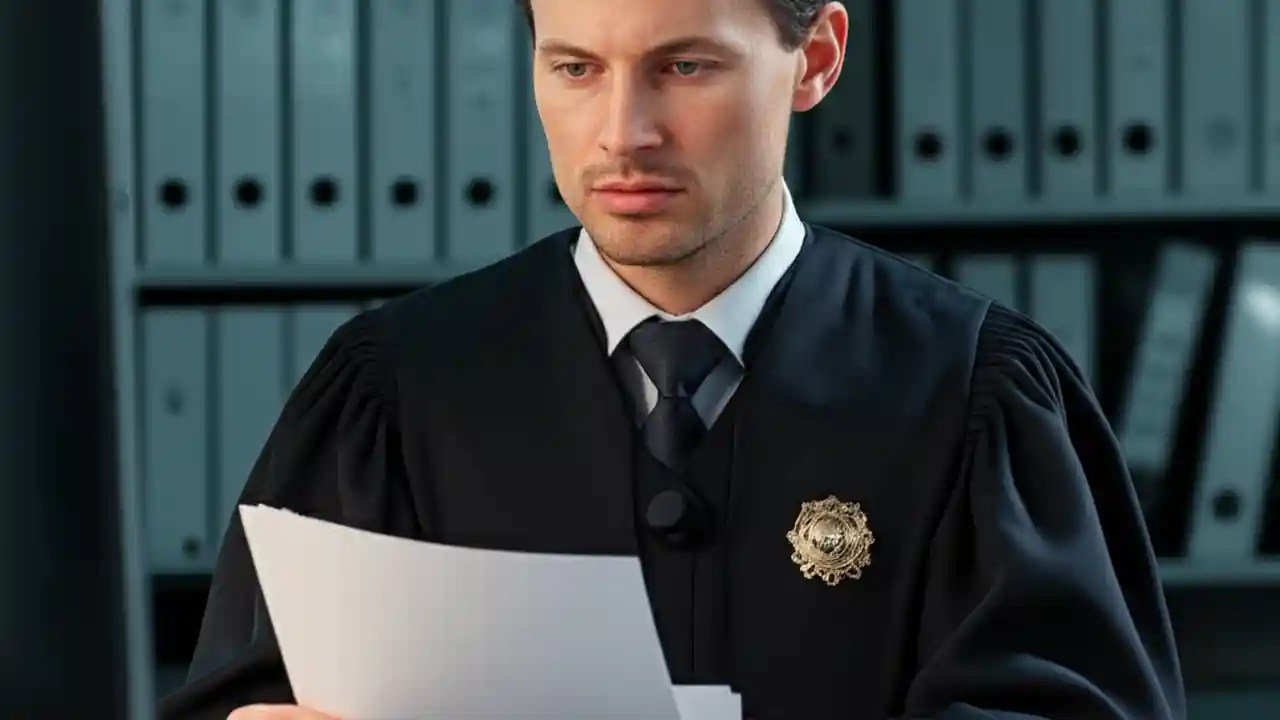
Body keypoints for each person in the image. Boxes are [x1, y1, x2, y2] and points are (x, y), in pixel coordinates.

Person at [158, 0, 1186, 718]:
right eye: (574, 68)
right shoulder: (395, 390)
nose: (622, 134)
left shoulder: (973, 391)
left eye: (682, 65)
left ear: (816, 57)